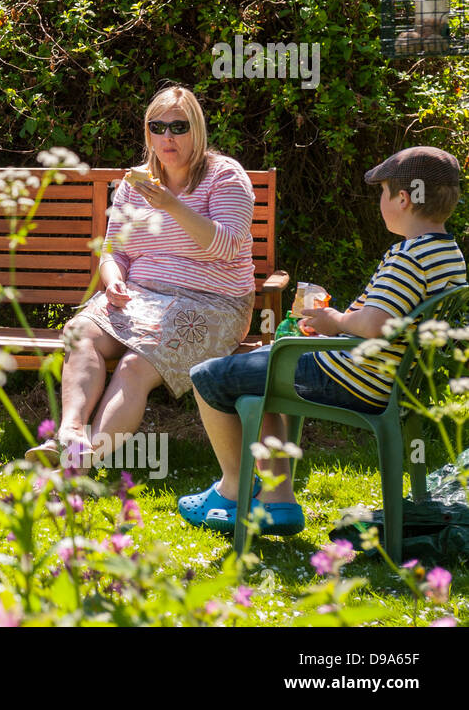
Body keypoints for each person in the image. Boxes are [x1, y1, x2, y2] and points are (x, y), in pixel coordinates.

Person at [180, 146, 467, 536]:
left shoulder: (409, 256)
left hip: (351, 378)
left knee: (206, 376)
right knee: (255, 380)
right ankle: (278, 502)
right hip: (395, 381)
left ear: (403, 199)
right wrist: (336, 325)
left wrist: (335, 321)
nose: (380, 201)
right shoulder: (449, 254)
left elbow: (375, 324)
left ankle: (232, 490)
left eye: (382, 193)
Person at [25, 85, 257, 468]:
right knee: (80, 334)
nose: (168, 136)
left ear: (197, 129)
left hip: (213, 304)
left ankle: (73, 468)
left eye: (179, 127)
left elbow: (227, 245)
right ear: (147, 132)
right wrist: (113, 276)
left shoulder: (225, 176)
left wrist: (171, 204)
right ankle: (69, 433)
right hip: (142, 295)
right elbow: (114, 249)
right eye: (158, 126)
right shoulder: (137, 184)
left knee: (134, 366)